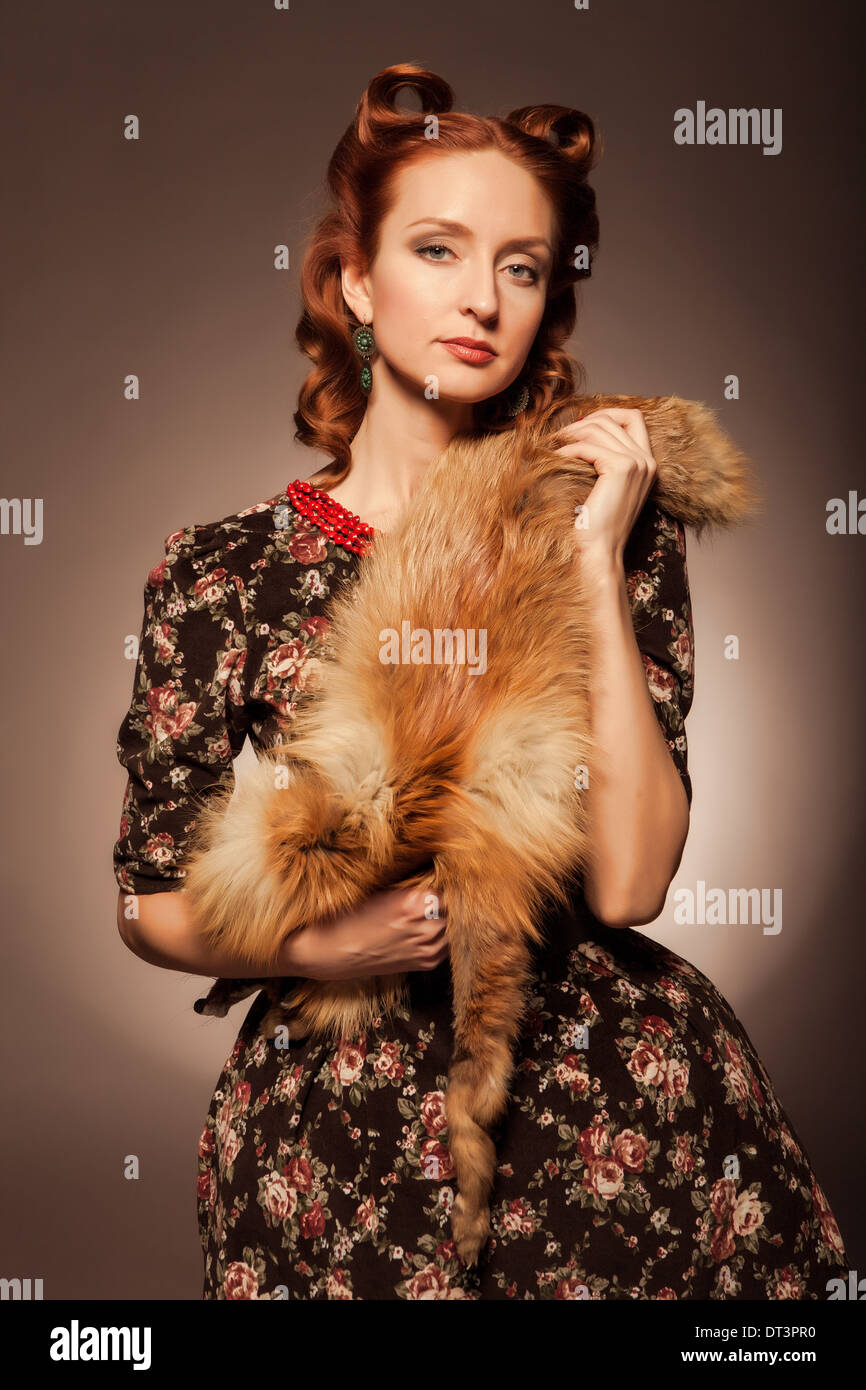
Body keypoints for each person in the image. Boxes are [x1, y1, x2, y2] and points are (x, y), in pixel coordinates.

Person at [114, 63, 848, 1300]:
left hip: (607, 1120)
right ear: (354, 279)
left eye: (520, 265)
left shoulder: (609, 524)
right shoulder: (221, 571)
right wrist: (319, 939)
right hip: (337, 1141)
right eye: (439, 249)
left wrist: (587, 557)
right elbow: (145, 903)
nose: (482, 298)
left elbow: (627, 880)